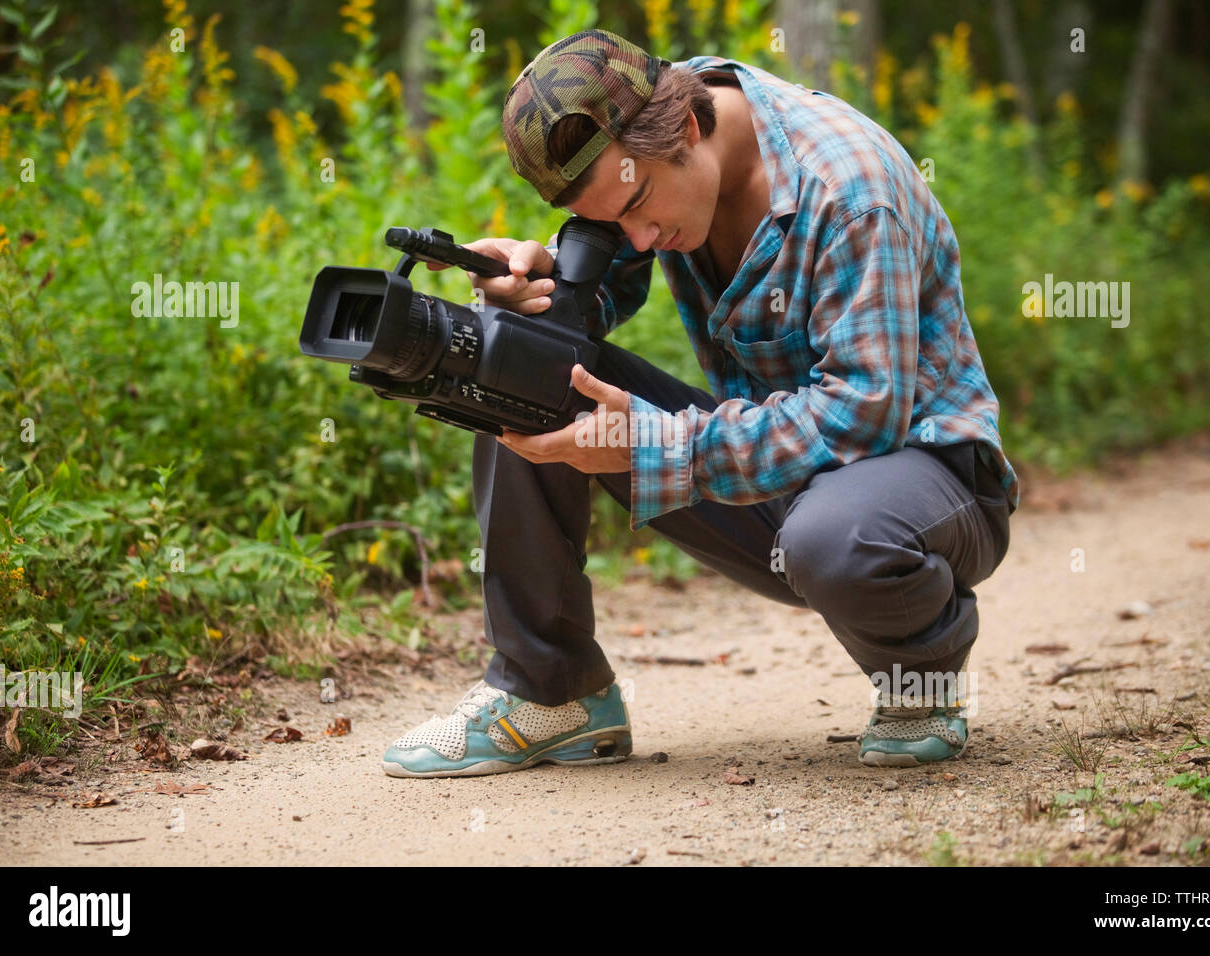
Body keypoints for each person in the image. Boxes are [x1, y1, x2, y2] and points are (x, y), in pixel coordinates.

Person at [382, 29, 1017, 778]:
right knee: (524, 367)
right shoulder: (643, 125)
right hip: (771, 478)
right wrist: (543, 282)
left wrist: (653, 446)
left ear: (687, 127)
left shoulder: (850, 192)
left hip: (919, 489)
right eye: (610, 224)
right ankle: (553, 694)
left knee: (834, 536)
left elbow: (861, 416)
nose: (640, 239)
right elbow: (606, 283)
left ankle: (923, 677)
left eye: (640, 207)